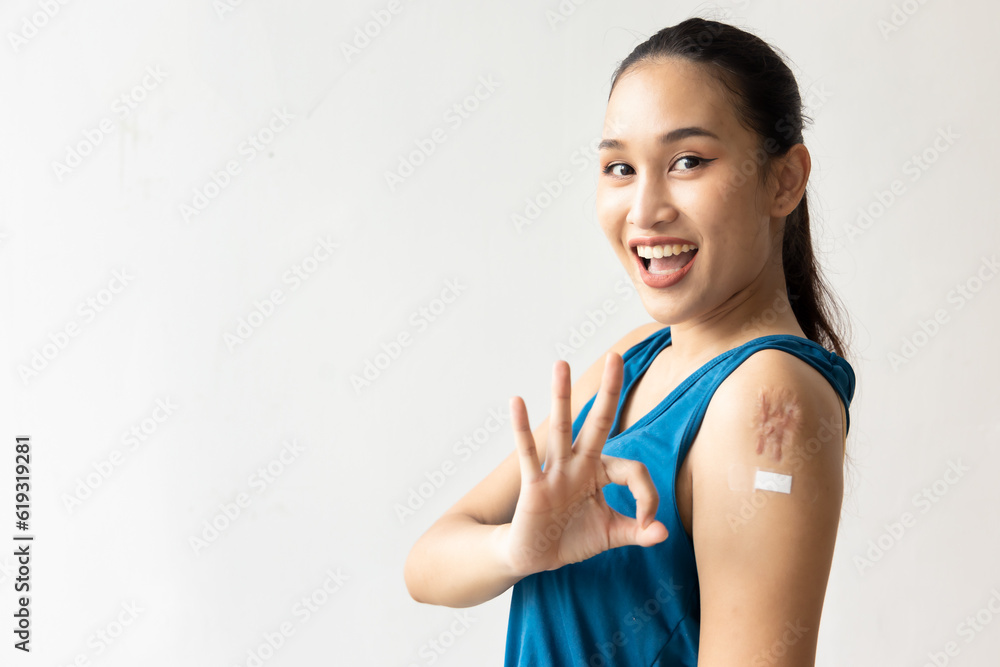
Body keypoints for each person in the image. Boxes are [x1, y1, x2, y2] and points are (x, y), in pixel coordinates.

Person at [405, 16, 856, 667]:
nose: (644, 209)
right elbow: (427, 563)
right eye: (620, 167)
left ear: (784, 179)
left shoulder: (768, 399)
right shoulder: (640, 355)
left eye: (687, 162)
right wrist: (520, 550)